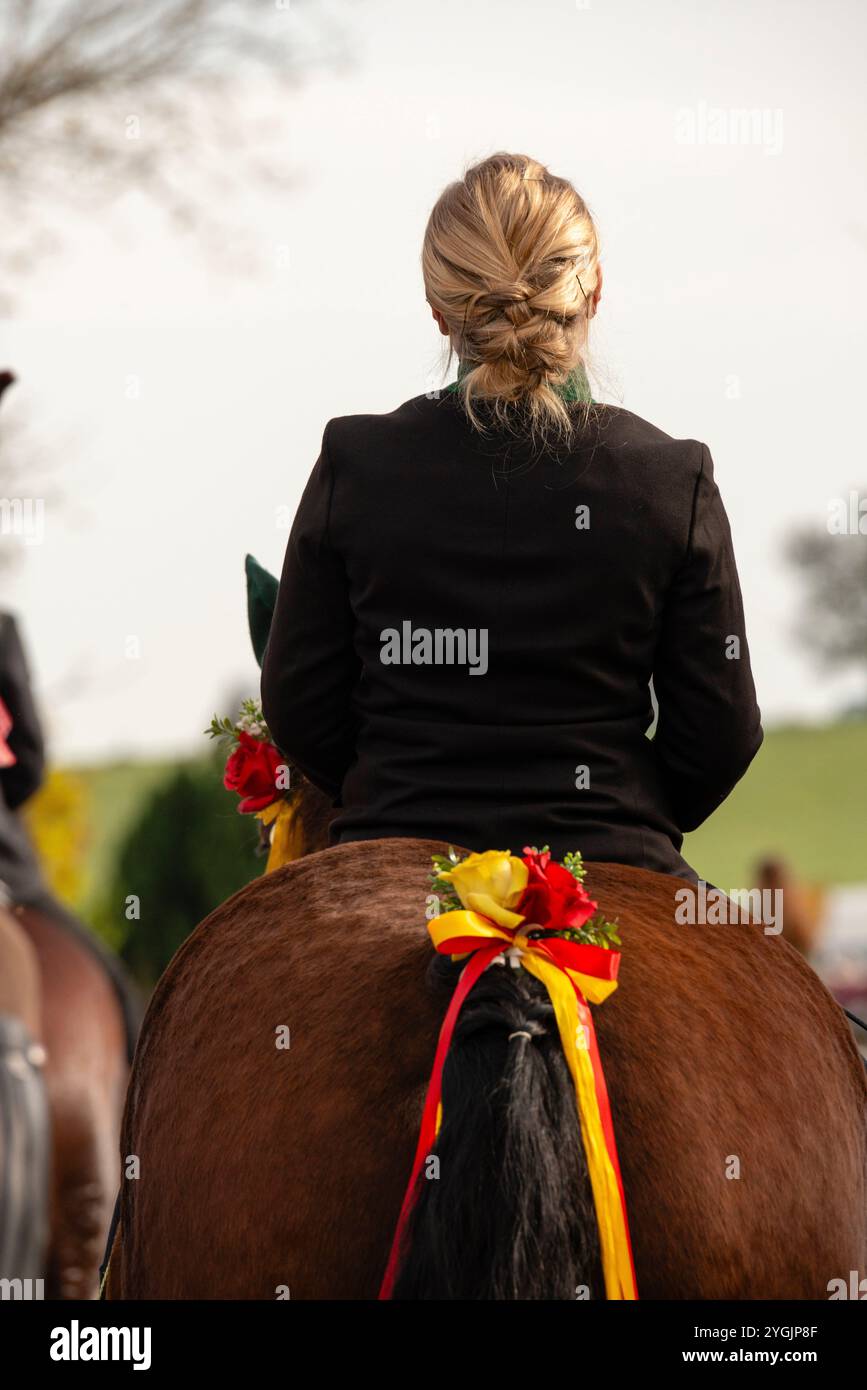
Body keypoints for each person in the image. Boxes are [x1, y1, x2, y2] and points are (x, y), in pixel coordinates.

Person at [261, 152, 763, 884]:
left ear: (437, 309)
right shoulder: (670, 477)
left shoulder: (355, 462)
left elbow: (299, 703)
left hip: (392, 848)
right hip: (615, 856)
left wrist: (395, 792)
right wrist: (628, 812)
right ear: (593, 294)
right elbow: (719, 734)